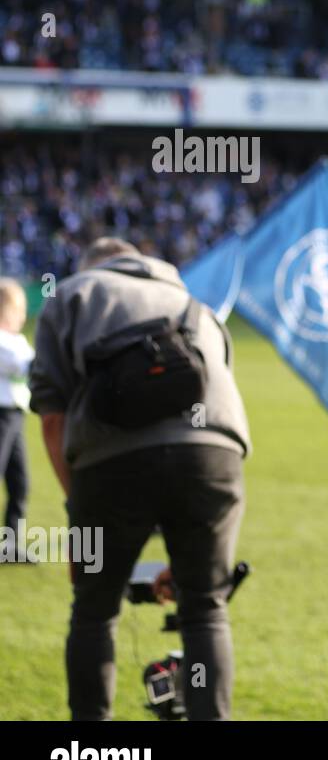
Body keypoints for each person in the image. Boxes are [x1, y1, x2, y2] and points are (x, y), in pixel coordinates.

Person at [28, 237, 252, 720]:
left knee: (94, 611)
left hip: (110, 460)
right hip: (213, 458)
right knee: (205, 609)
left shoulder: (70, 295)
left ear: (90, 268)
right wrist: (193, 560)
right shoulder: (197, 306)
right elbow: (221, 421)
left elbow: (52, 419)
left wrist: (80, 513)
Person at [0, 277, 35, 563]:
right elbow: (25, 365)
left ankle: (10, 545)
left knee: (20, 482)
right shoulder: (4, 342)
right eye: (16, 311)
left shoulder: (16, 340)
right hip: (1, 415)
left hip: (15, 417)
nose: (22, 318)